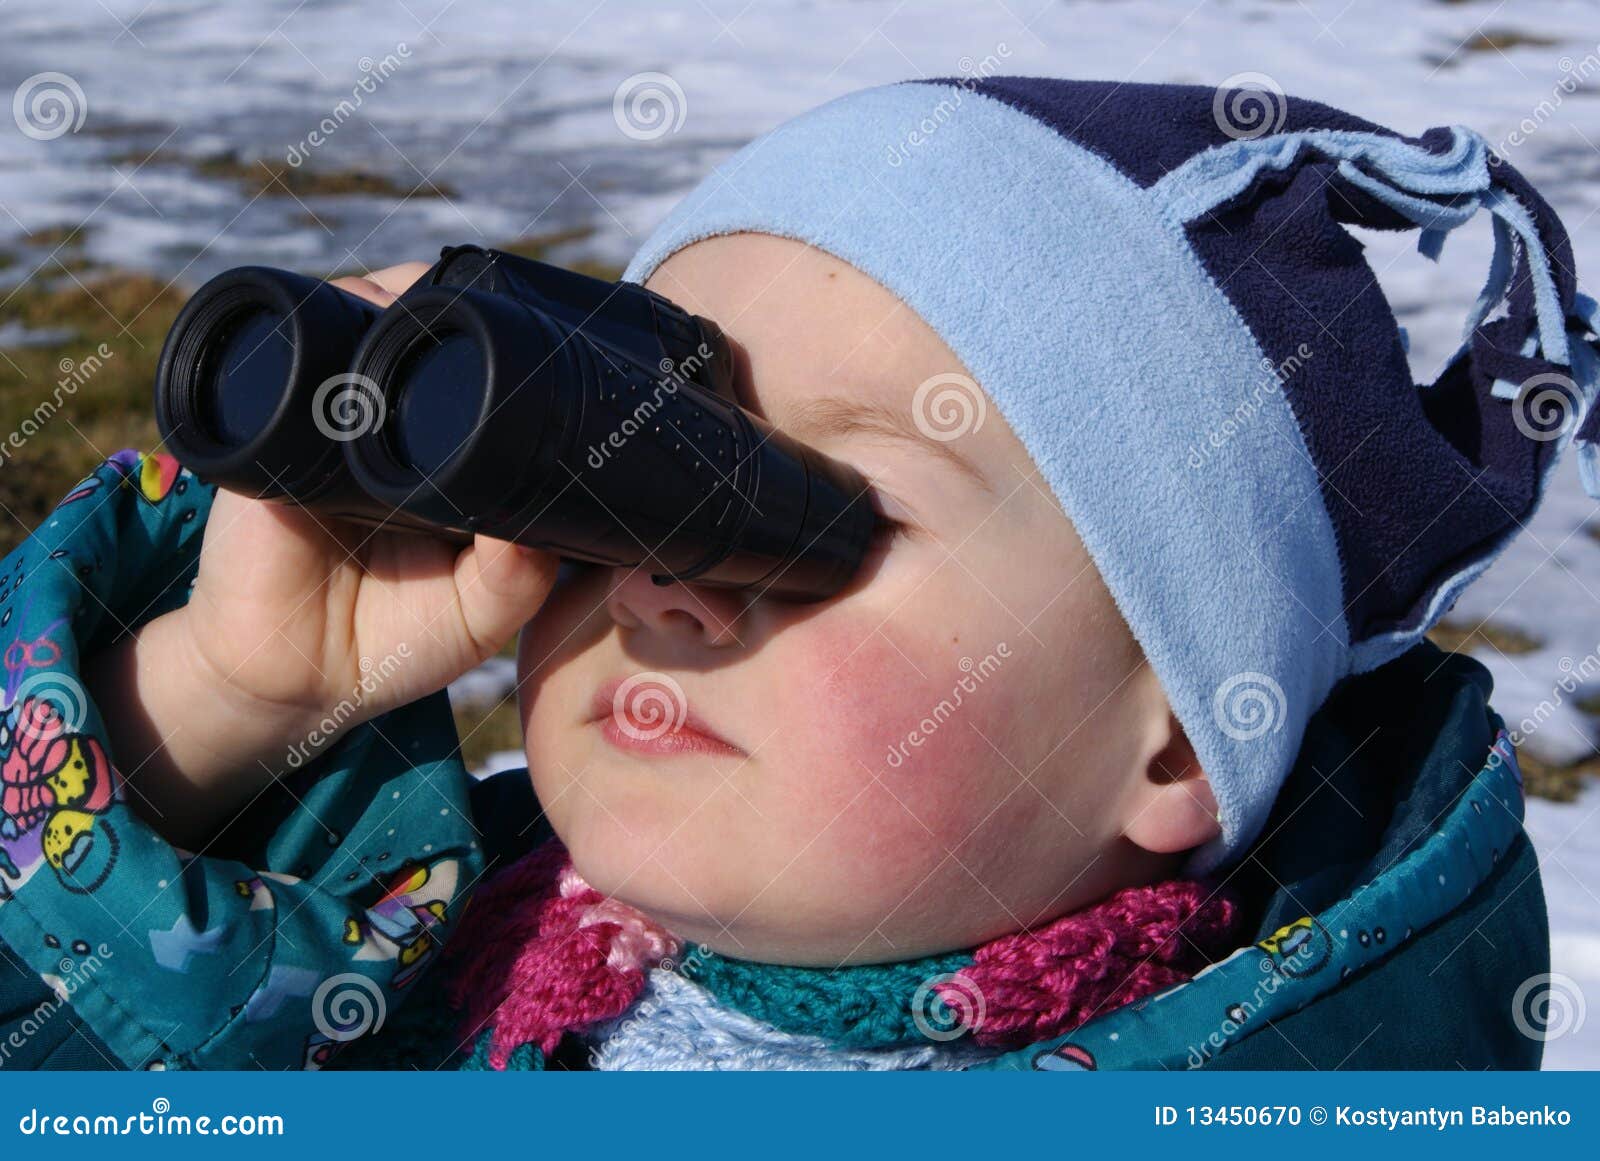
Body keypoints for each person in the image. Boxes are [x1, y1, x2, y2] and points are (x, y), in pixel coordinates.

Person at [2, 76, 1591, 1070]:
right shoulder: (406, 941)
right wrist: (220, 707)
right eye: (629, 476)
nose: (665, 581)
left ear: (1173, 732)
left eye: (808, 510)